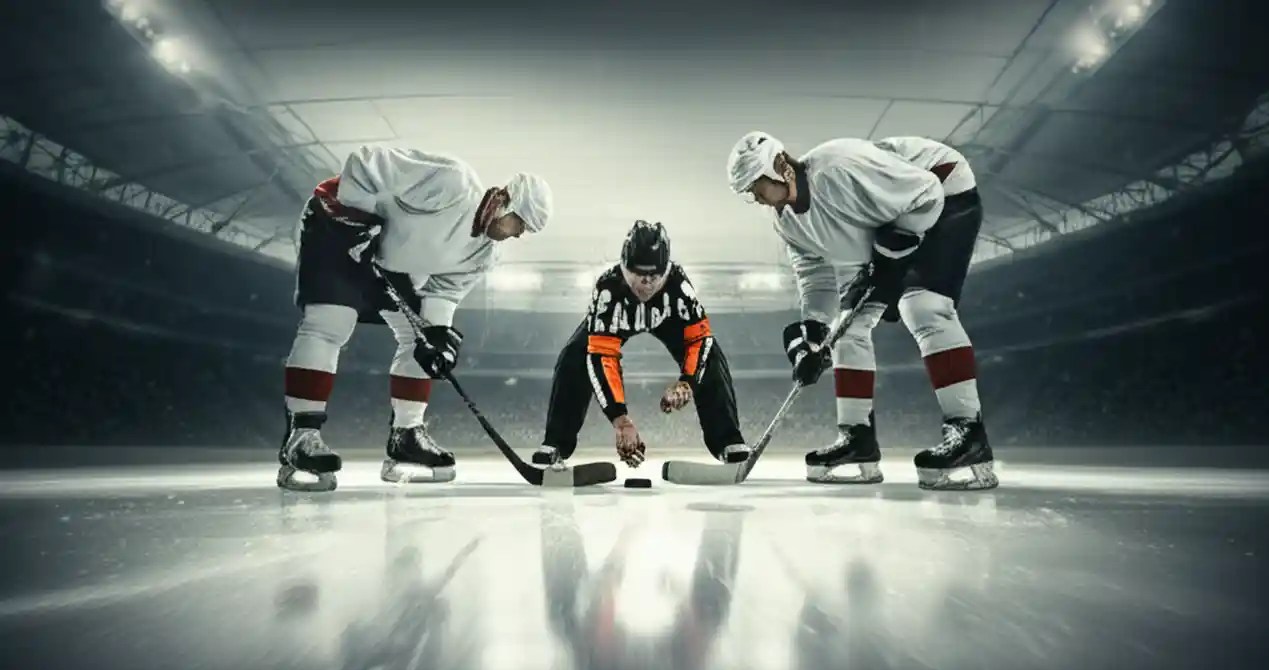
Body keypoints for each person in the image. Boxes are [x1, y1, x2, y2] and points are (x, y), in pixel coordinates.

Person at [726, 131, 996, 490]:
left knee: (923, 306)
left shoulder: (839, 168)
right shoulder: (786, 221)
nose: (755, 198)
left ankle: (968, 433)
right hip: (887, 228)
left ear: (780, 167)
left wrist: (892, 256)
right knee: (846, 330)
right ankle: (858, 440)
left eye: (755, 186)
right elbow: (815, 279)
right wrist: (813, 337)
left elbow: (926, 192)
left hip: (944, 194)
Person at [278, 145, 552, 491]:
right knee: (330, 324)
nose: (518, 234)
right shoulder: (452, 181)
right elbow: (365, 162)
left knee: (419, 340)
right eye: (521, 224)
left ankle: (406, 437)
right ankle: (301, 436)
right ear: (505, 202)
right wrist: (358, 224)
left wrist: (438, 339)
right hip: (338, 225)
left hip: (390, 262)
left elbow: (443, 294)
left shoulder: (484, 255)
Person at [531, 220, 749, 469]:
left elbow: (699, 340)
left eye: (655, 274)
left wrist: (687, 382)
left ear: (666, 270)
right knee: (575, 354)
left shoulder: (679, 286)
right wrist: (620, 420)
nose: (647, 283)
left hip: (671, 322)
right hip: (615, 322)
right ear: (623, 267)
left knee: (712, 354)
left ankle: (728, 441)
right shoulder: (608, 290)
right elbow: (602, 357)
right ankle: (556, 442)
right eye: (639, 273)